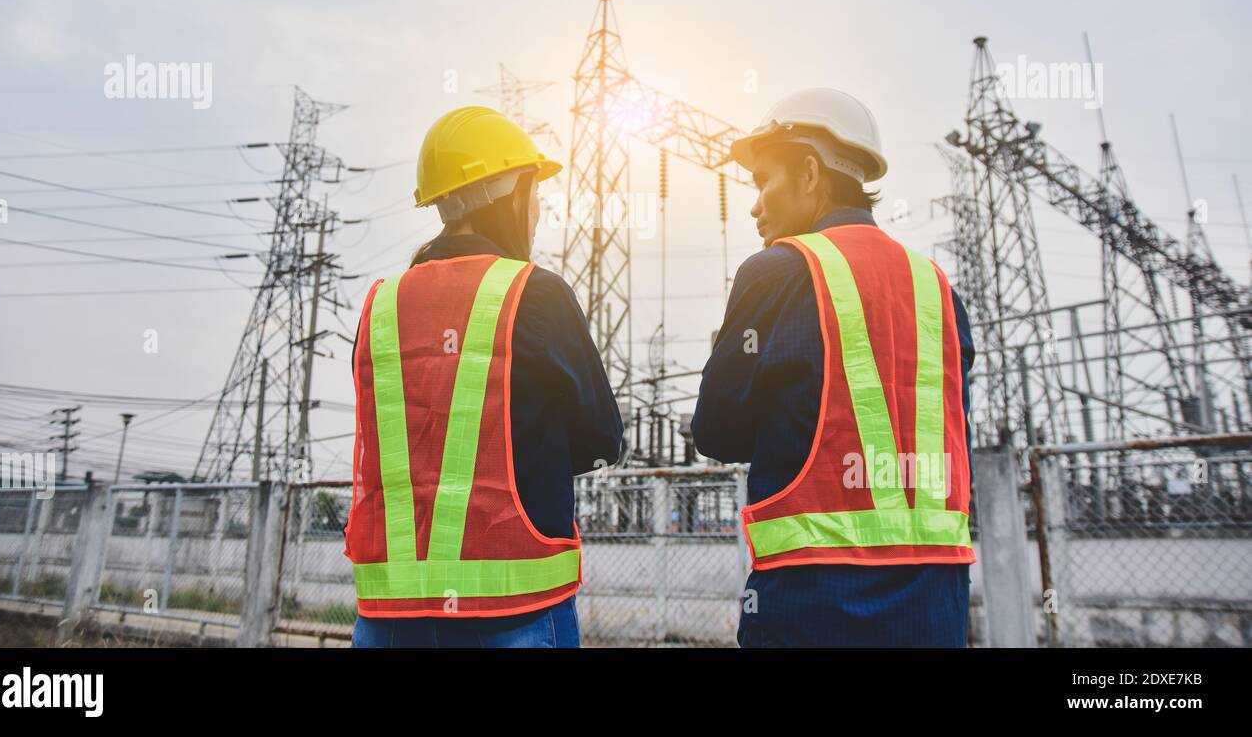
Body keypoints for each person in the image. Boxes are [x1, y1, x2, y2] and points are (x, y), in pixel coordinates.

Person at [692, 88, 976, 647]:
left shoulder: (776, 272)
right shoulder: (938, 289)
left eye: (763, 181)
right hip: (937, 600)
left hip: (814, 598)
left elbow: (716, 431)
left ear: (809, 172)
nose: (755, 205)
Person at [344, 106, 623, 647]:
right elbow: (602, 438)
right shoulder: (535, 292)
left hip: (387, 618)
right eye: (533, 194)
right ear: (505, 195)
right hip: (513, 611)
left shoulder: (381, 304)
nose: (537, 212)